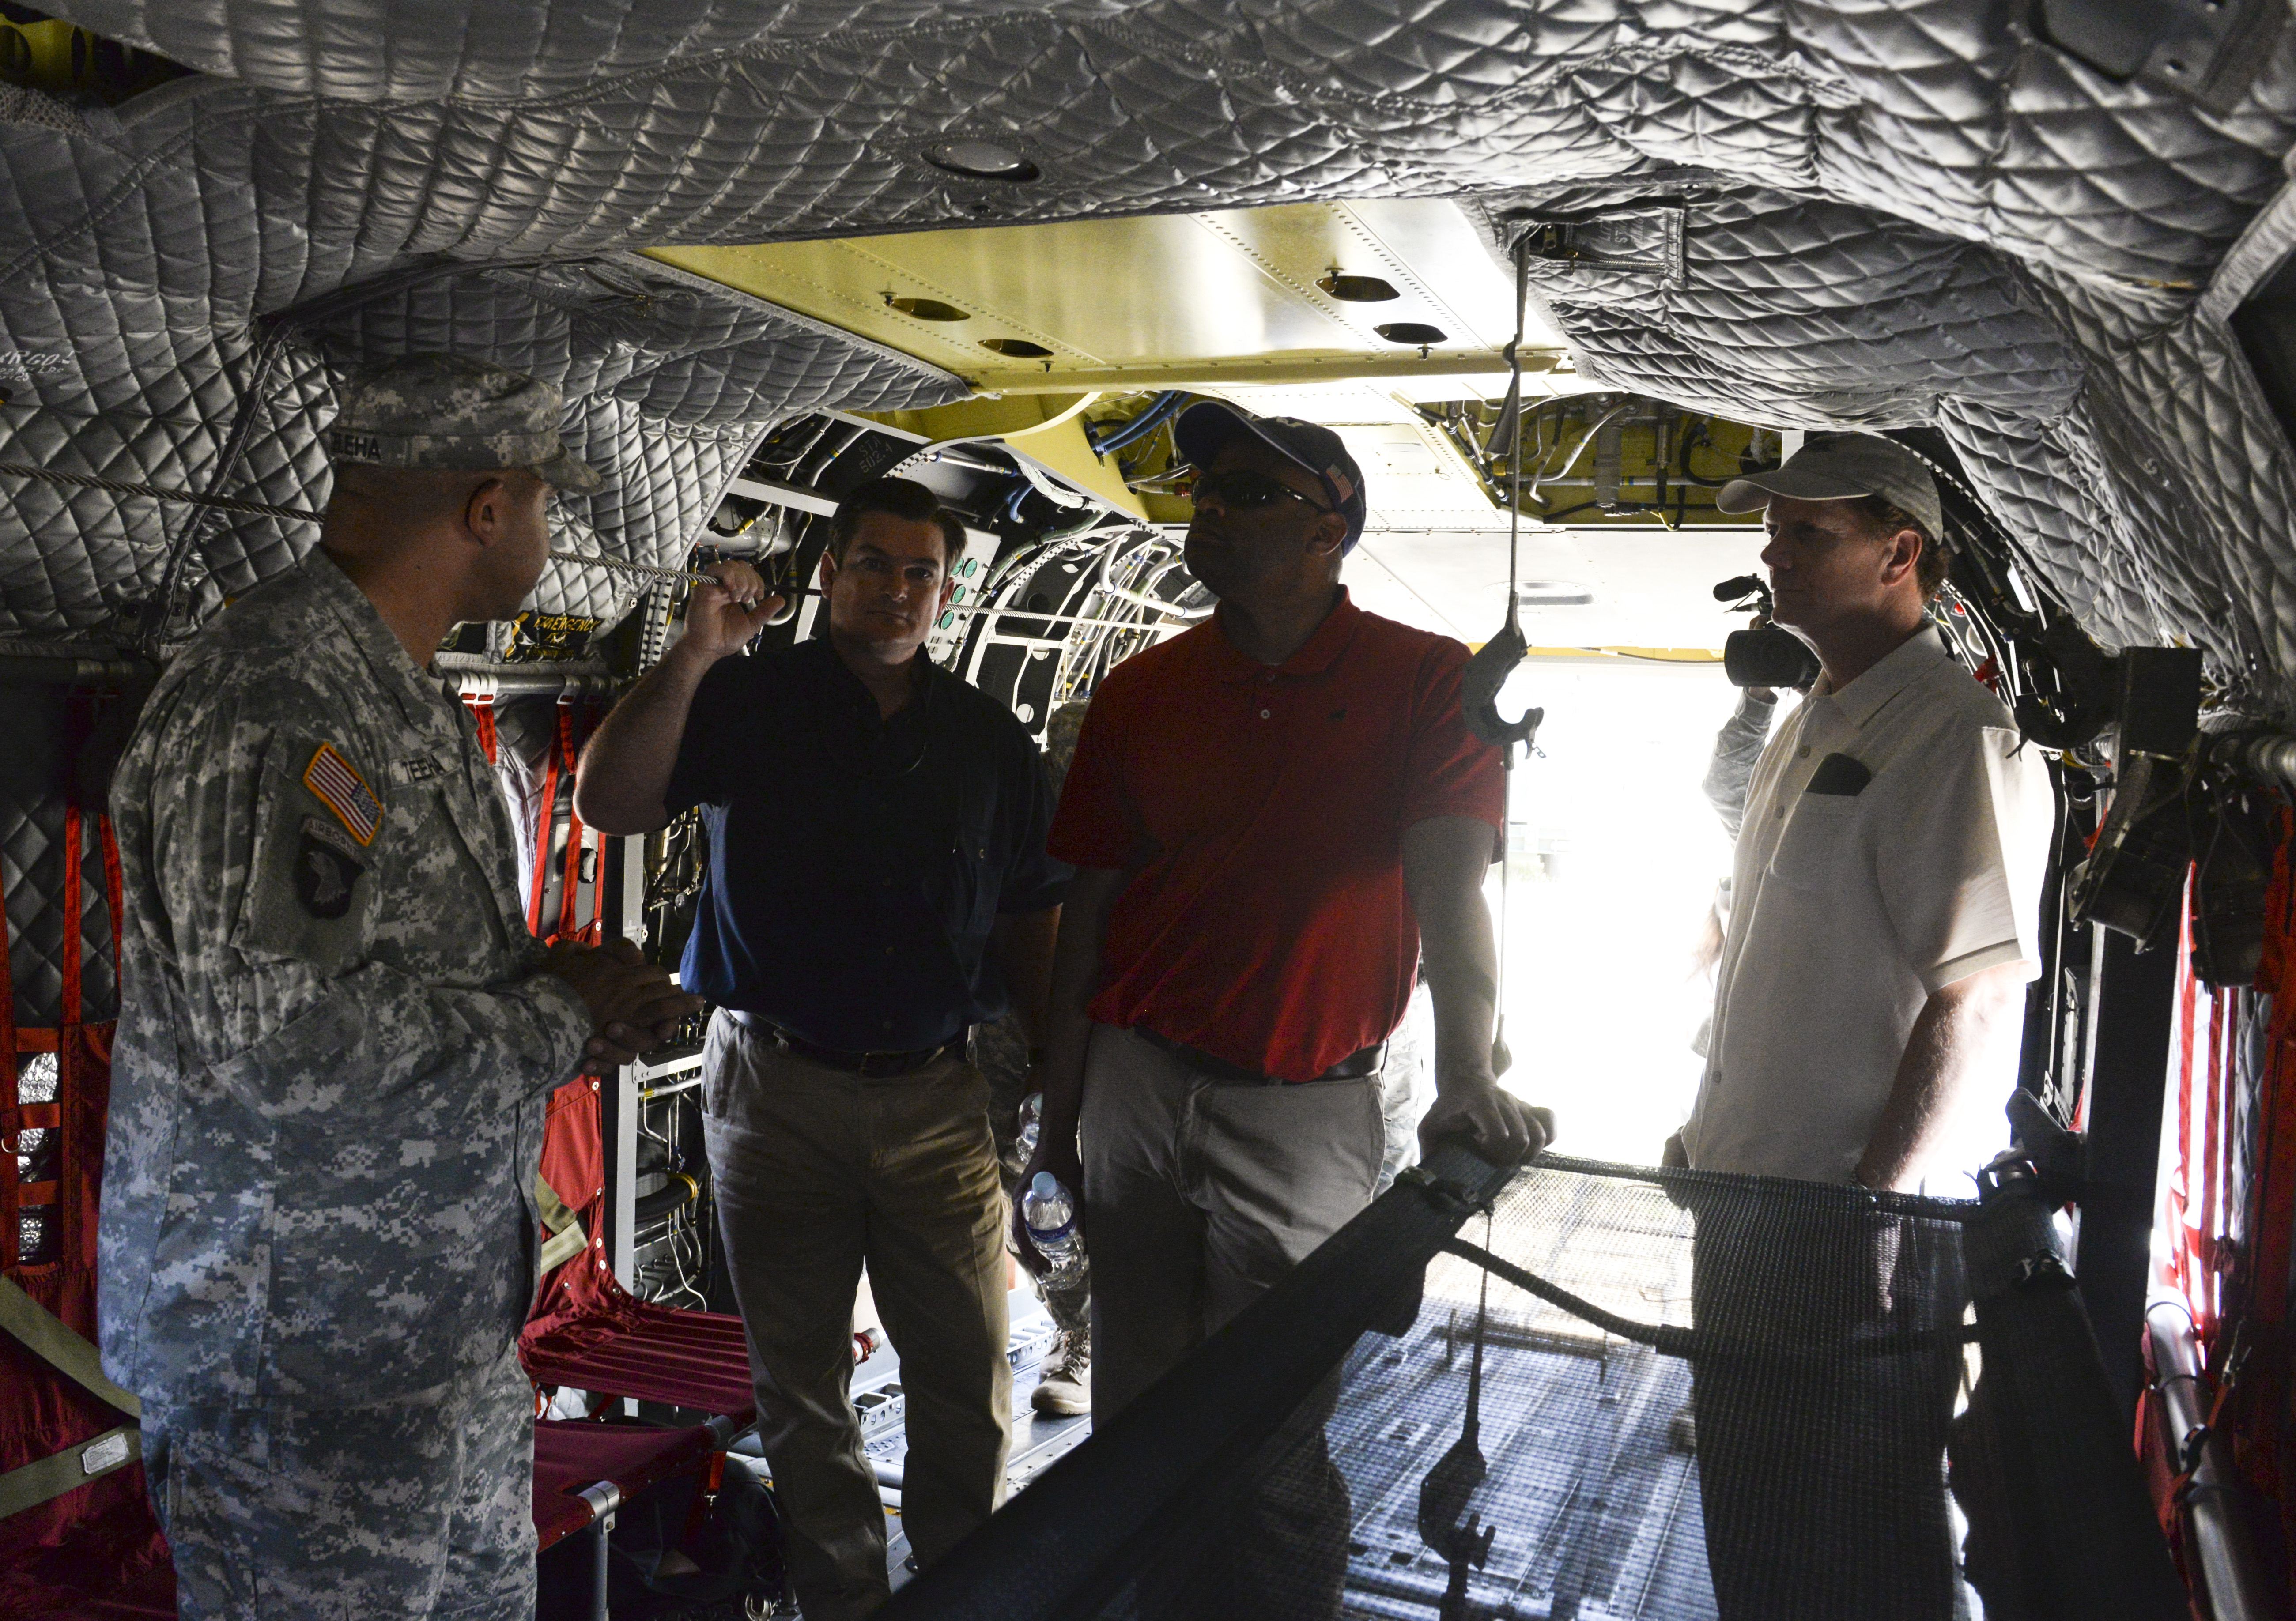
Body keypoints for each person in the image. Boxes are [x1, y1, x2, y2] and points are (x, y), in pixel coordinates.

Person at [100, 354, 698, 1621]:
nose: (548, 531)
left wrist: (571, 992)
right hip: (298, 1365)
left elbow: (399, 970)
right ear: (488, 510)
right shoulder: (280, 699)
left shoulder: (391, 689)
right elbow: (288, 1046)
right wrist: (560, 1018)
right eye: (543, 501)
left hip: (428, 1335)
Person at [1022, 402, 1550, 1620]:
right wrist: (1056, 1126)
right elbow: (1089, 917)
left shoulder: (1427, 680)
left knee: (1270, 1432)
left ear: (1328, 528)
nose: (1211, 508)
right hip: (1136, 1085)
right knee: (1138, 1417)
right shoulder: (1141, 691)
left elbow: (1451, 889)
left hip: (1304, 1107)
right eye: (1205, 489)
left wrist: (1467, 1074)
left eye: (1250, 492)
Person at [574, 478, 1069, 1621]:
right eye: (873, 564)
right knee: (800, 1384)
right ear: (830, 571)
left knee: (965, 1380)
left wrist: (1050, 1072)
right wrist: (695, 653)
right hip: (773, 1090)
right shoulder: (748, 698)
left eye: (920, 572)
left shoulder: (988, 742)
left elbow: (1030, 912)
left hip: (936, 1100)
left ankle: (956, 1590)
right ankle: (839, 1599)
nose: (897, 590)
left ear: (947, 592)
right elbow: (610, 800)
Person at [1664, 433, 2053, 1620]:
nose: (1772, 555)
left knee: (1853, 1539)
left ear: (1899, 552)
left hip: (1848, 1223)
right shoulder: (1810, 721)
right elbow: (1772, 957)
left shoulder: (1953, 735)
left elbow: (1977, 995)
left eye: (1806, 532)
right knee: (1757, 1516)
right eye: (1769, 531)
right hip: (1753, 1198)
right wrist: (1705, 1129)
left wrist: (1871, 1214)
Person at [975, 697, 1094, 1417]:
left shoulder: (1163, 813)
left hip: (1121, 1018)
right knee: (1028, 1185)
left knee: (1118, 1182)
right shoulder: (1022, 803)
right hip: (1016, 1025)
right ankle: (1077, 1329)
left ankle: (1106, 1330)